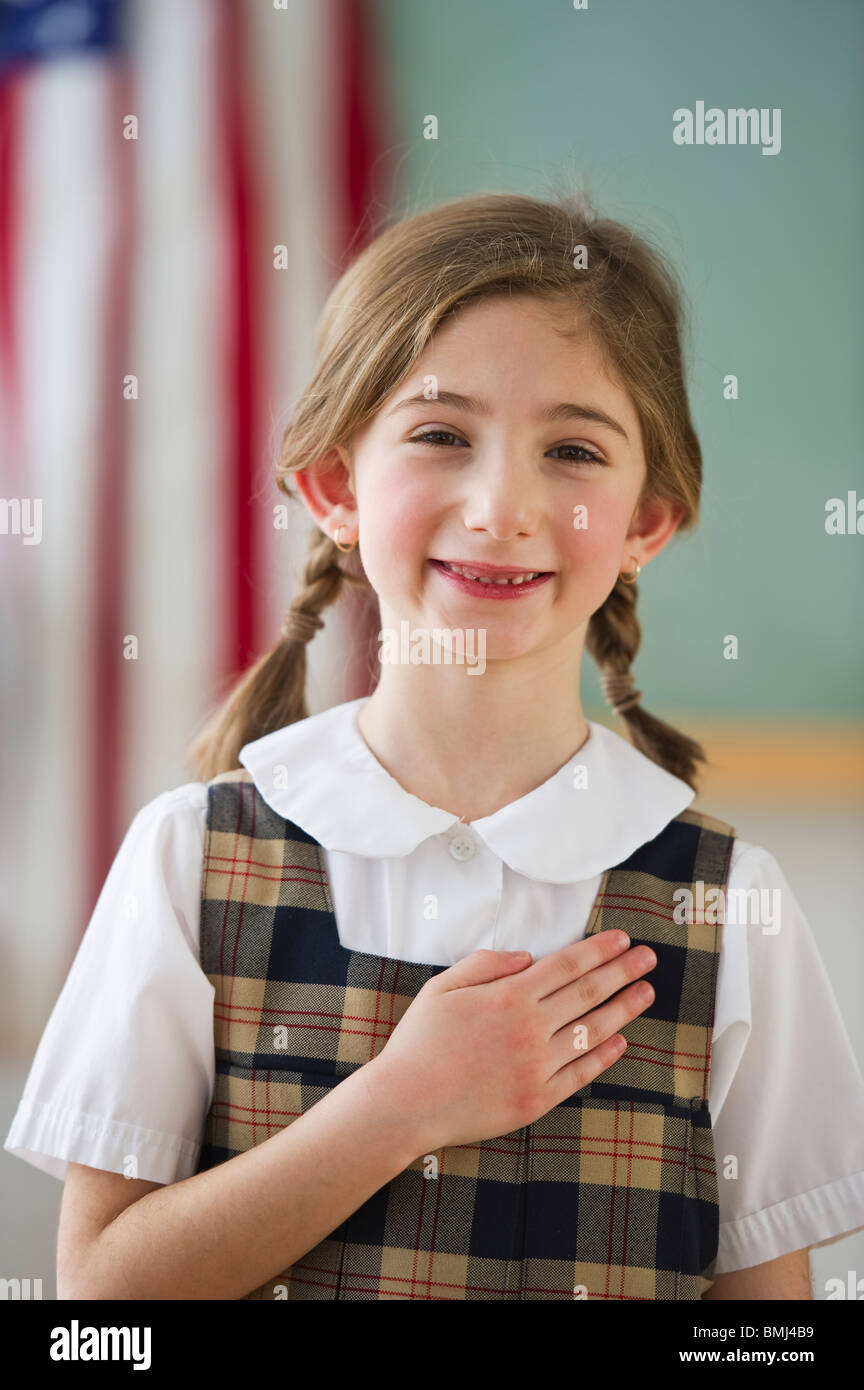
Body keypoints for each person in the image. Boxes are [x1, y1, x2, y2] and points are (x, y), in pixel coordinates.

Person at [6, 192, 864, 1301]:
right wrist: (400, 1106)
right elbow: (99, 1306)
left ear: (648, 519)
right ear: (332, 487)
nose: (503, 503)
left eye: (572, 450)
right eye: (441, 434)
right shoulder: (189, 855)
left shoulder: (731, 901)